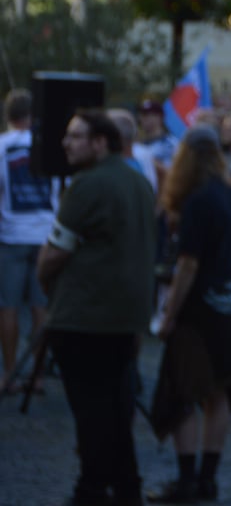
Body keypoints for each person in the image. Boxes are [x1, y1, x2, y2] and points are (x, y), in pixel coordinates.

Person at [36, 109, 156, 506]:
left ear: (100, 142)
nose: (65, 143)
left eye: (76, 136)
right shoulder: (139, 182)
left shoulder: (87, 185)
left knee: (91, 411)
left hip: (86, 315)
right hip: (126, 316)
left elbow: (55, 252)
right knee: (115, 408)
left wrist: (43, 273)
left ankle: (91, 488)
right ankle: (126, 487)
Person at [147, 126, 231, 504]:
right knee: (218, 393)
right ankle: (207, 479)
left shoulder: (197, 201)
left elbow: (188, 265)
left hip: (197, 312)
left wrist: (168, 314)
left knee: (181, 394)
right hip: (227, 304)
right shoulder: (230, 195)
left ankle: (189, 480)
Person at [0, 89, 57, 394]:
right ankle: (37, 375)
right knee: (41, 307)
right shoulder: (51, 146)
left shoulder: (1, 146)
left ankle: (10, 374)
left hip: (11, 236)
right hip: (46, 236)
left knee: (7, 307)